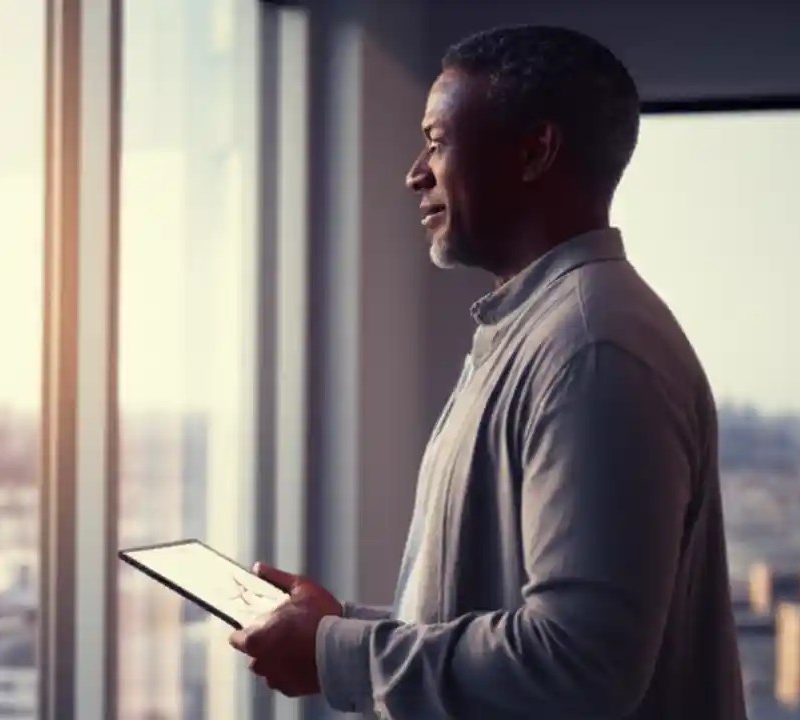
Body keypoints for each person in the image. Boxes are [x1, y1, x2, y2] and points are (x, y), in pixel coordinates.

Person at [228, 25, 746, 719]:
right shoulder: (548, 332)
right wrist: (341, 629)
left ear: (535, 150)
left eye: (437, 141)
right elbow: (496, 608)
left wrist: (337, 654)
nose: (415, 171)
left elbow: (578, 662)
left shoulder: (593, 348)